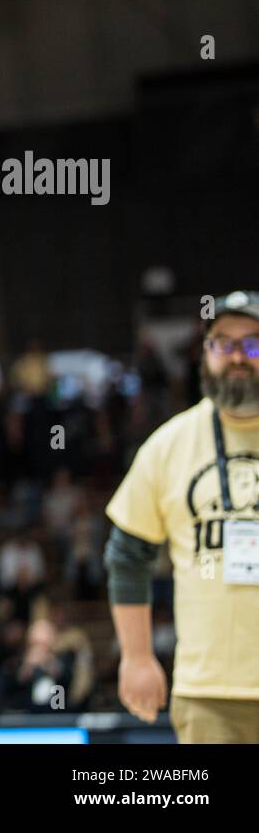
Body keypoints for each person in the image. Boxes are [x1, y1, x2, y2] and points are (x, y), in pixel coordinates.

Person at [104, 290, 259, 742]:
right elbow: (127, 556)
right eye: (221, 344)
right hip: (208, 691)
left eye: (251, 344)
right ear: (204, 355)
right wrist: (136, 658)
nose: (236, 357)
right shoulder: (169, 445)